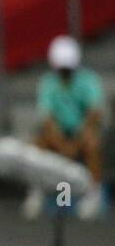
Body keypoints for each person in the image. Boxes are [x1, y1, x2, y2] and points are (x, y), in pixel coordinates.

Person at [23, 35, 106, 220]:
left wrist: (77, 142)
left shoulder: (88, 81)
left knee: (92, 142)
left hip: (81, 133)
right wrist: (62, 144)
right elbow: (47, 119)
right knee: (37, 144)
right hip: (58, 134)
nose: (65, 73)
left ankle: (93, 194)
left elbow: (93, 115)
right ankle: (37, 192)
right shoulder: (48, 83)